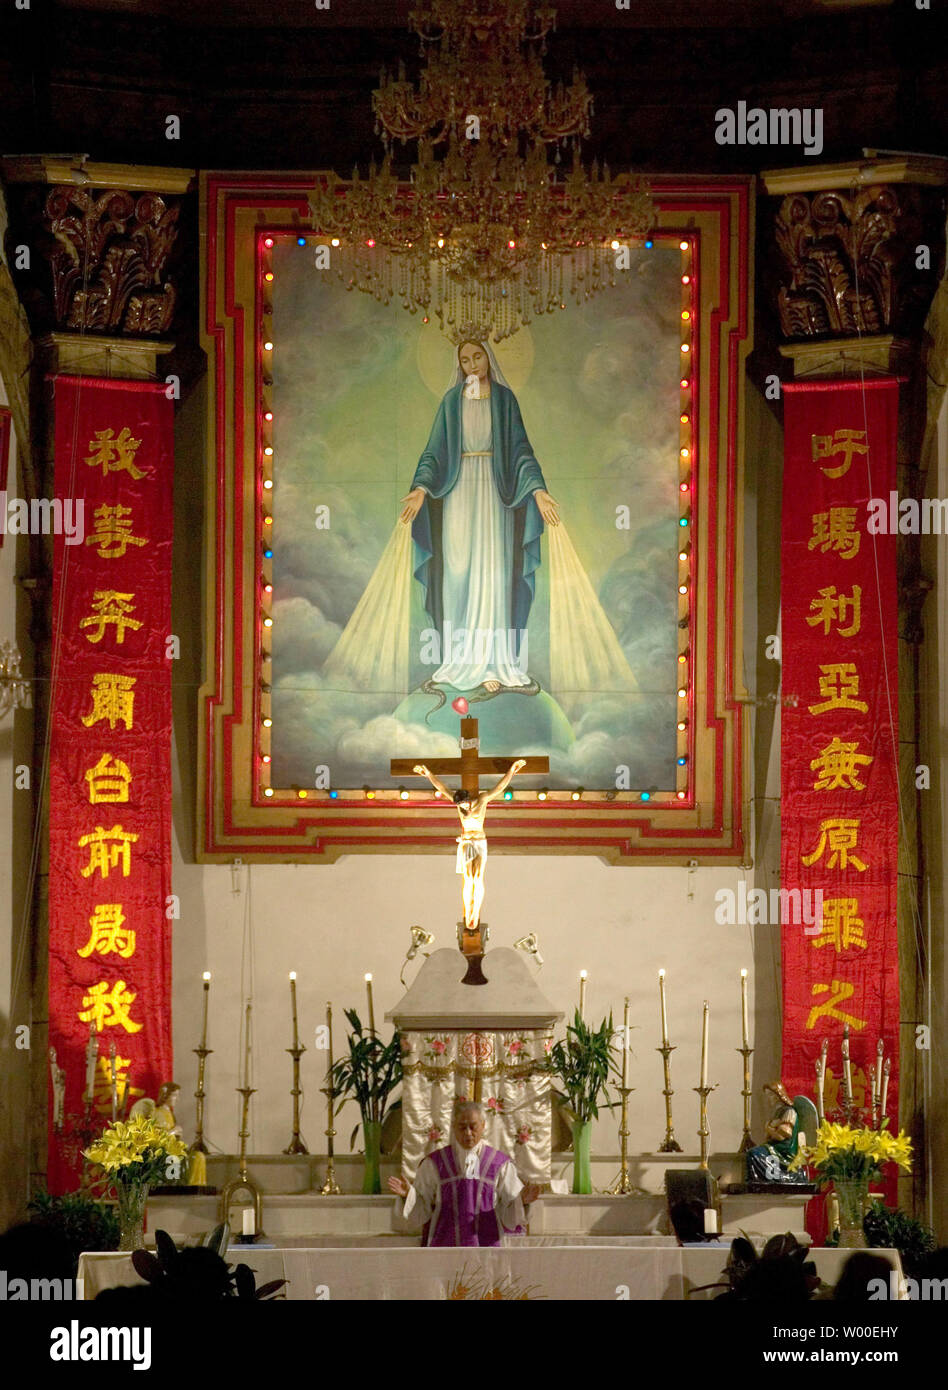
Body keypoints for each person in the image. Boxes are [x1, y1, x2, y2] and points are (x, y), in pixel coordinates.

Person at [399, 339, 559, 693]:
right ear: (459, 365)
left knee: (492, 573)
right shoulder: (451, 403)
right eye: (465, 359)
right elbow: (434, 453)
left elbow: (520, 451)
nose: (472, 364)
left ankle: (492, 663)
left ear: (488, 356)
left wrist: (538, 490)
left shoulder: (504, 401)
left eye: (477, 356)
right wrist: (421, 489)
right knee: (457, 572)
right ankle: (458, 660)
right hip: (458, 495)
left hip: (493, 495)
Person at [387, 1099, 541, 1246]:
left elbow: (510, 1213)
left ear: (483, 1125)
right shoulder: (434, 1163)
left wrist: (523, 1201)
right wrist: (408, 1195)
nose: (468, 1133)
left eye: (473, 1126)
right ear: (453, 1127)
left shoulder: (499, 1164)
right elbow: (422, 1211)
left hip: (487, 1243)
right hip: (445, 1243)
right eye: (462, 1127)